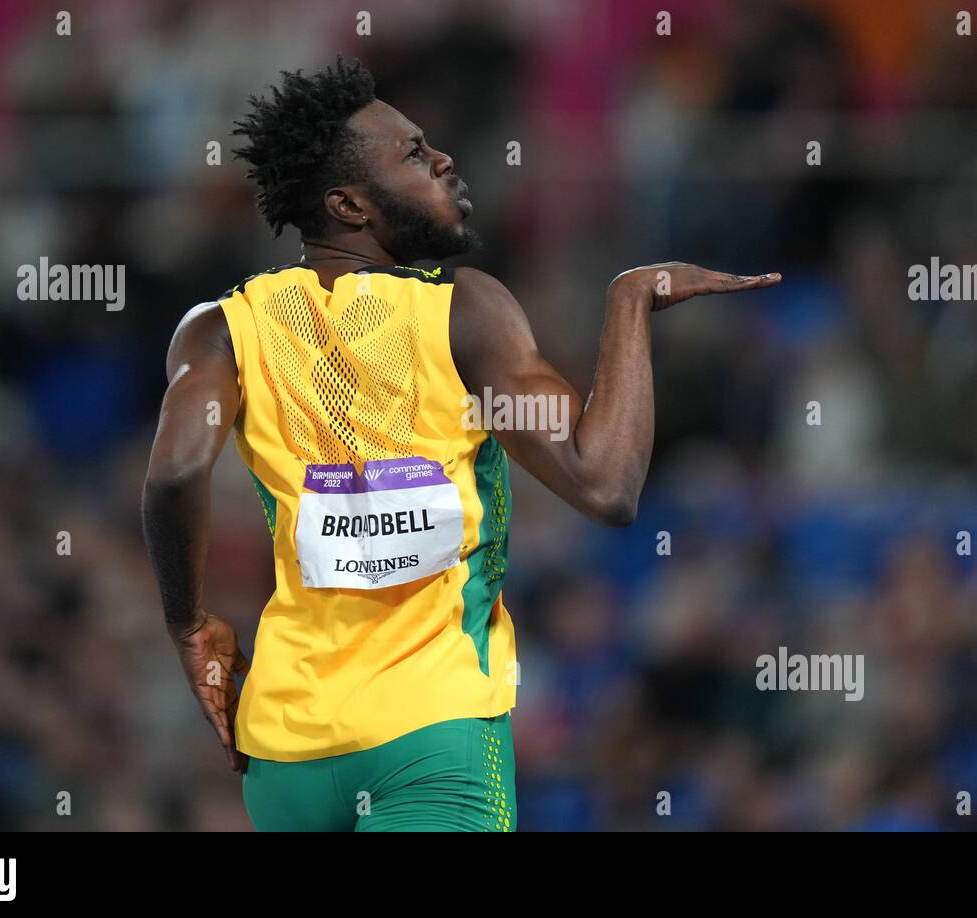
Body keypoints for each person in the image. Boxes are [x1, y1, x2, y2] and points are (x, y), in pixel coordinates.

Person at [140, 57, 780, 831]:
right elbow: (606, 484)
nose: (442, 159)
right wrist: (630, 300)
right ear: (348, 203)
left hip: (286, 757)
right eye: (412, 155)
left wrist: (189, 622)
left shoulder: (221, 329)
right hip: (434, 739)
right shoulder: (464, 311)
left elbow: (175, 471)